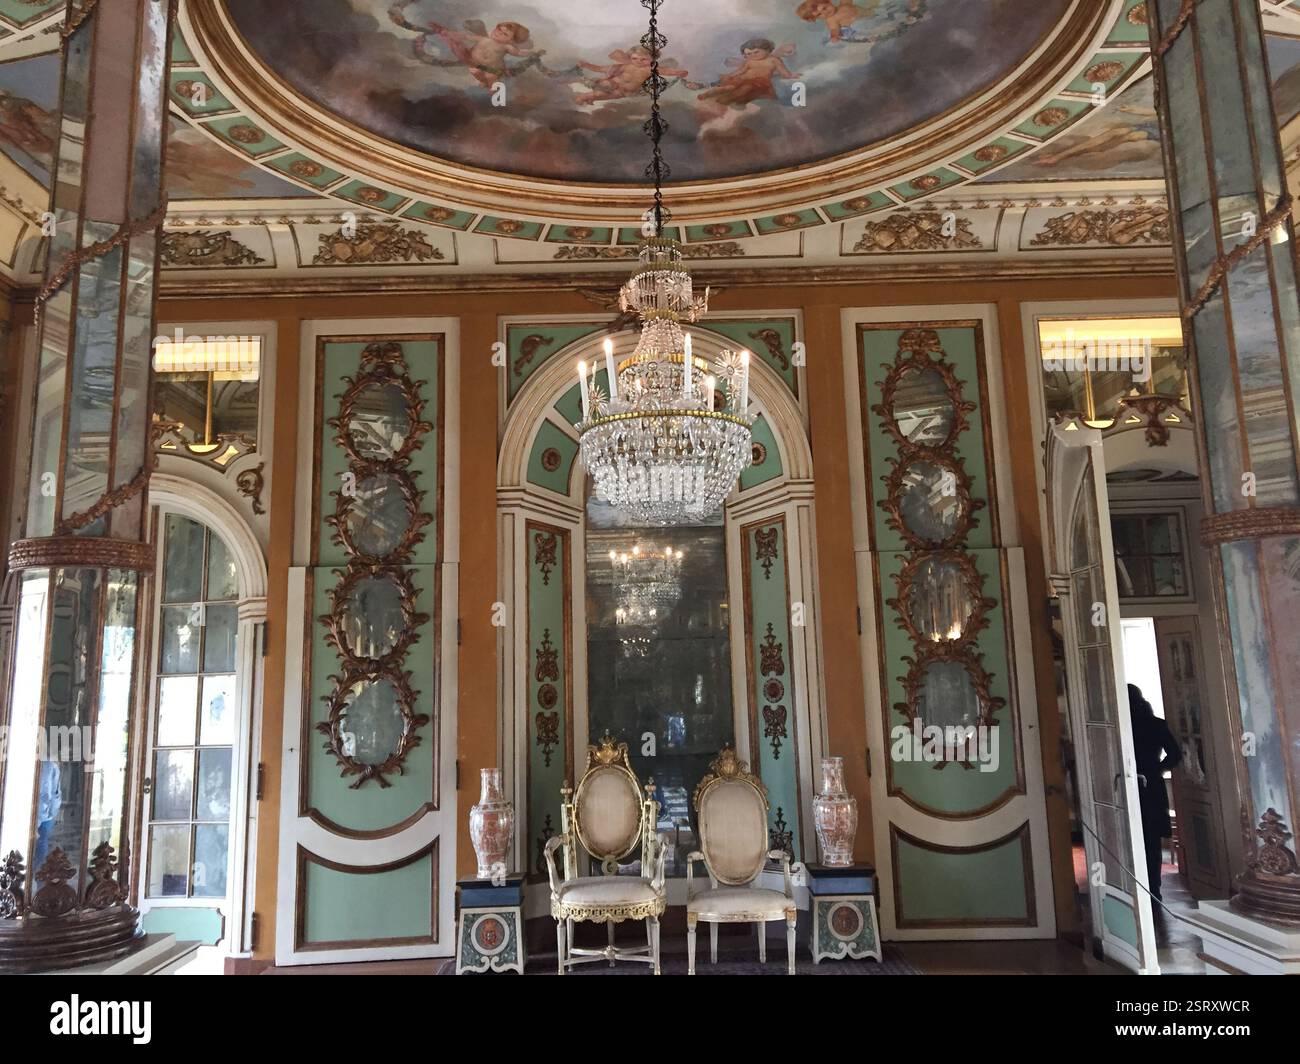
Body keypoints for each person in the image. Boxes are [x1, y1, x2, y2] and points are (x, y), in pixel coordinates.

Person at [1127, 684, 1181, 903]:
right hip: (1152, 783)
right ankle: (1153, 888)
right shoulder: (1156, 724)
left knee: (1132, 836)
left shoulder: (1124, 725)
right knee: (1151, 840)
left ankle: (1134, 886)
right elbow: (1175, 755)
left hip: (1130, 782)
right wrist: (1157, 768)